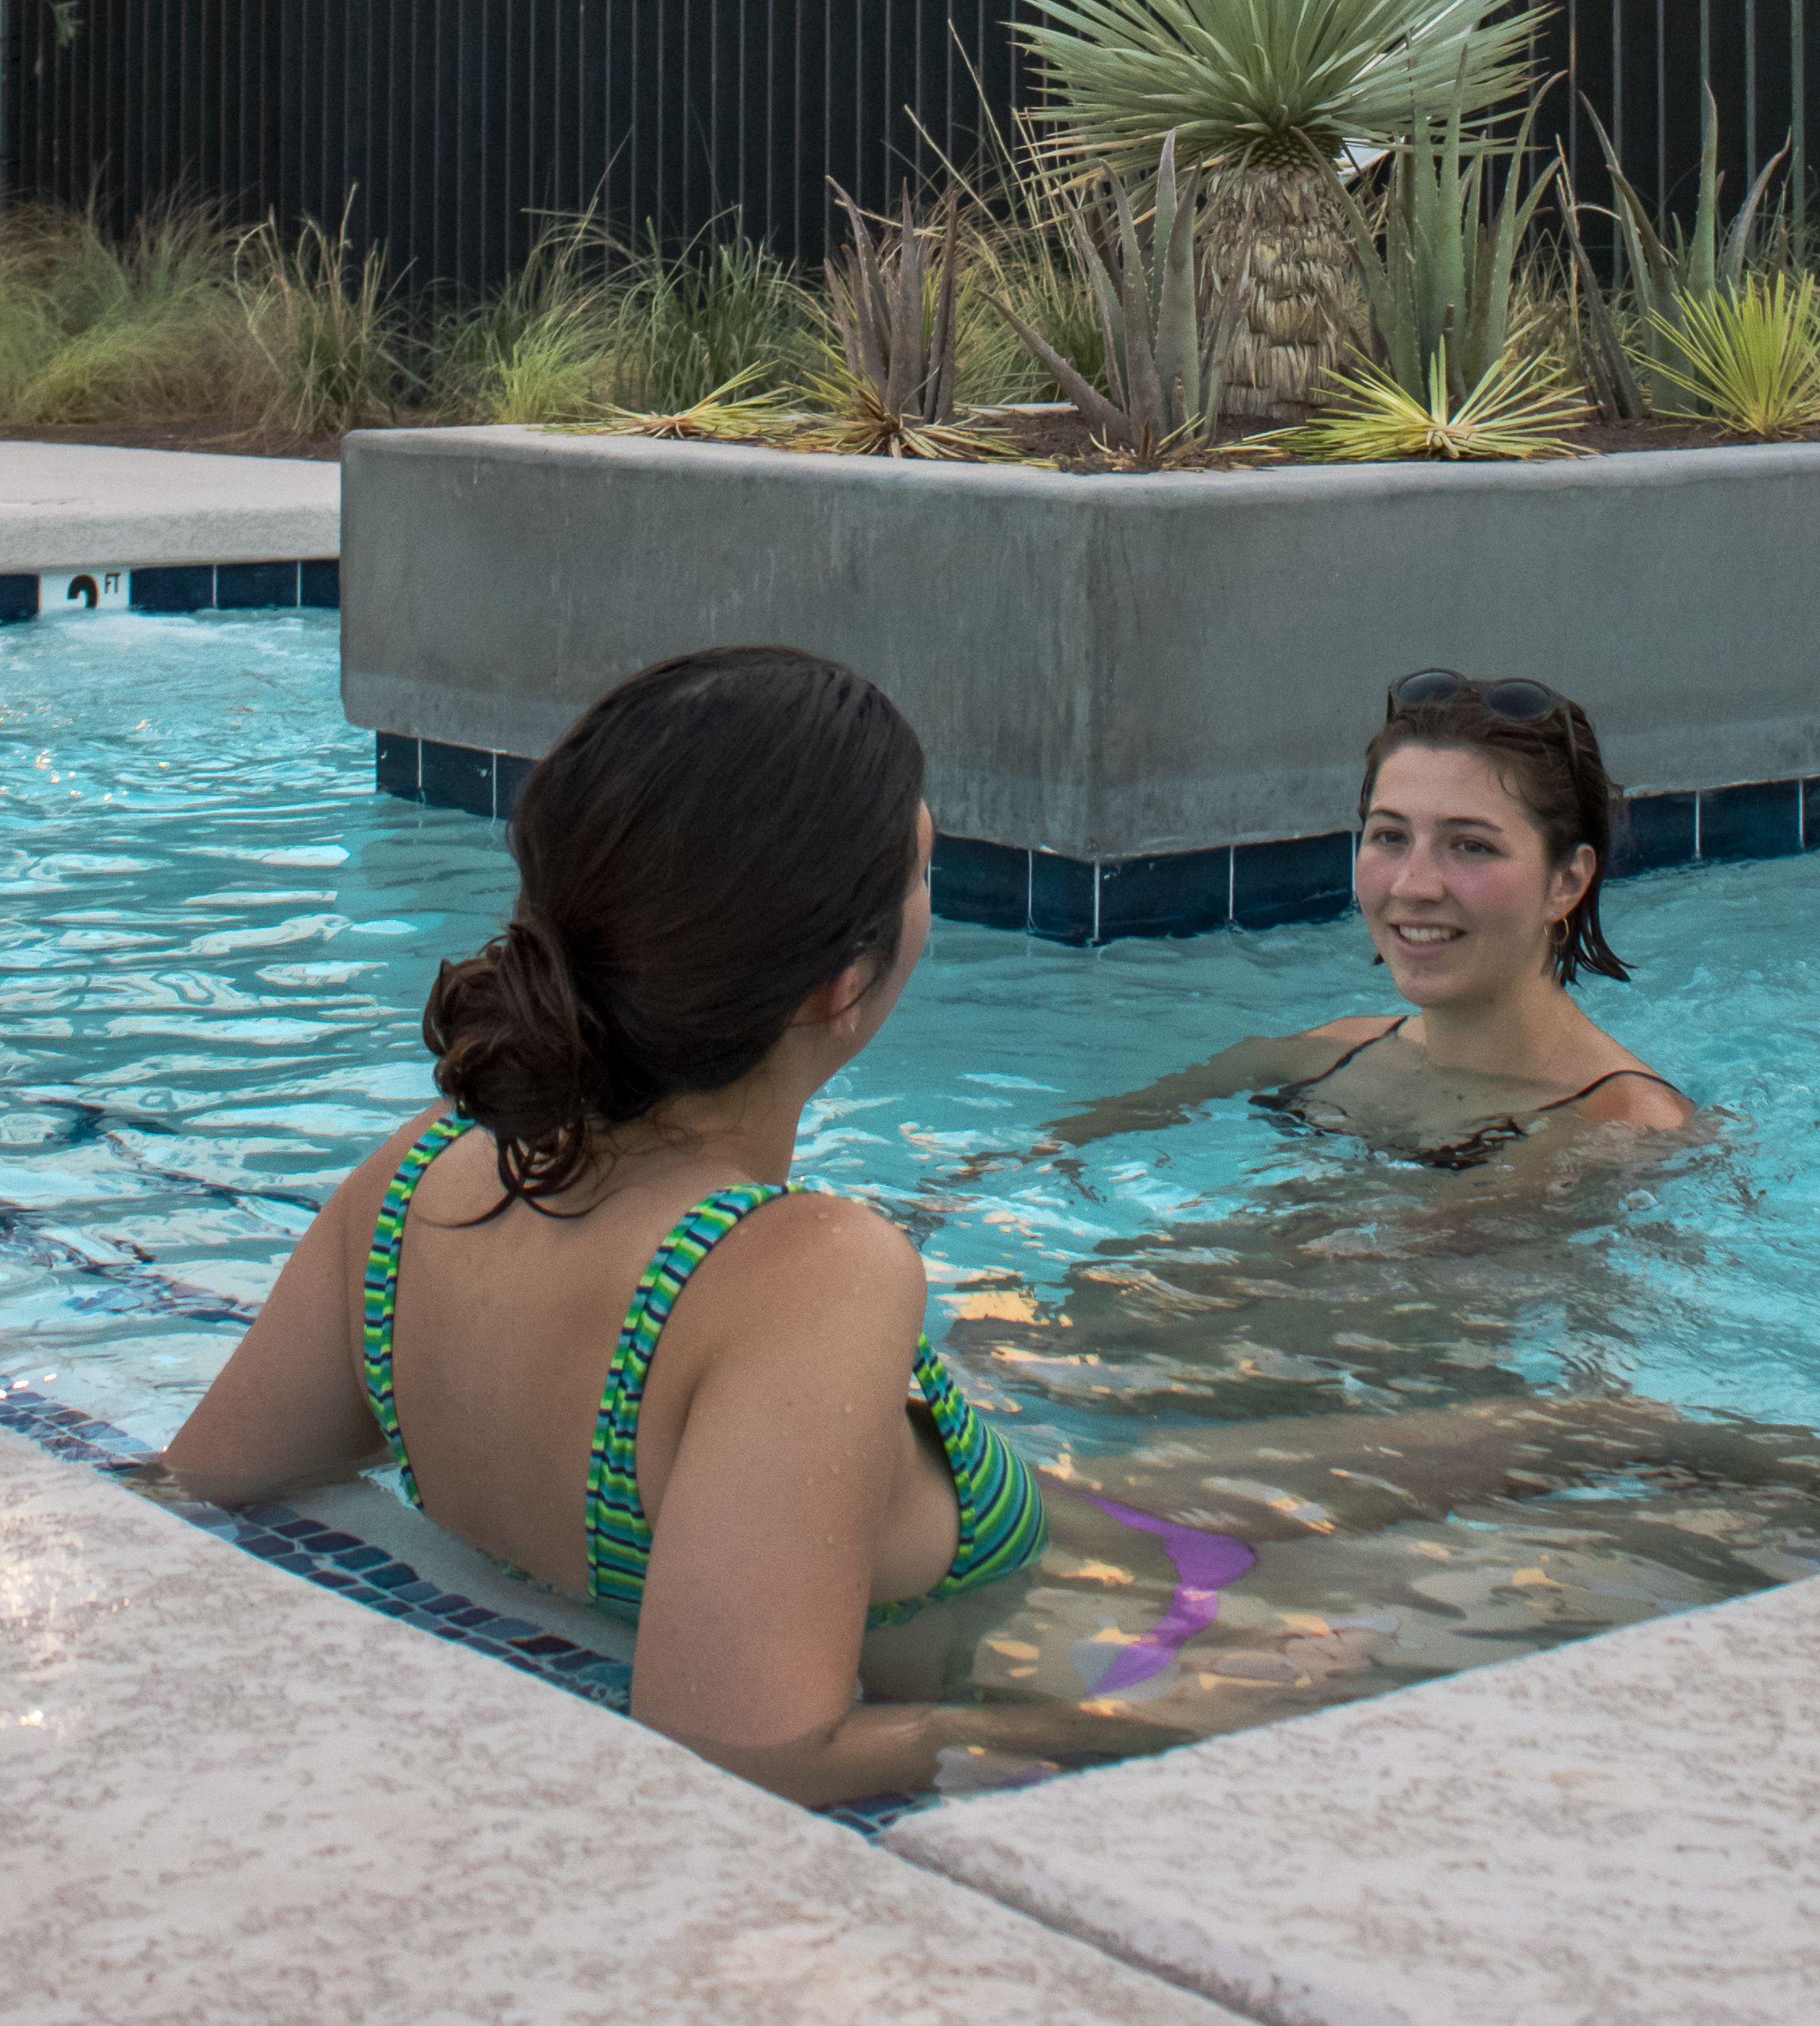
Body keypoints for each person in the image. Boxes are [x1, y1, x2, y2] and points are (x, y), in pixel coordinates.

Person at [164, 643, 1058, 1805]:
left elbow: (202, 1488)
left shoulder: (421, 1178)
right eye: (923, 871)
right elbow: (747, 1751)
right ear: (840, 984)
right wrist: (1104, 1726)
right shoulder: (805, 1277)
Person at [1045, 672, 1695, 1166]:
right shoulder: (1326, 1054)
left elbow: (1394, 1271)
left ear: (1567, 882)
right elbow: (1028, 1165)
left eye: (1471, 845)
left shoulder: (1627, 1125)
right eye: (1389, 837)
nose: (1414, 886)